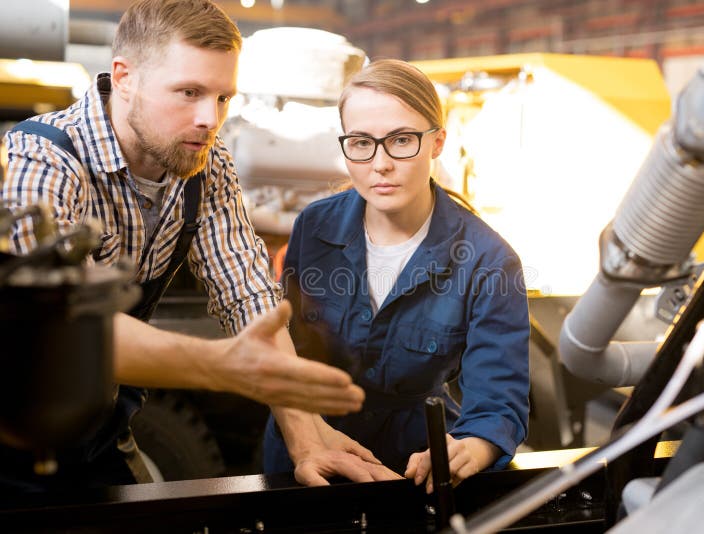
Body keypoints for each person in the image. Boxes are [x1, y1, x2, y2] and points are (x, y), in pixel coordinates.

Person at [0, 0, 393, 491]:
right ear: (124, 77)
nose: (210, 118)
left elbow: (248, 296)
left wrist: (305, 436)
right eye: (189, 92)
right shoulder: (46, 159)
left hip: (98, 426)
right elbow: (59, 332)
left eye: (223, 97)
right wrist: (222, 367)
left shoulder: (206, 165)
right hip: (13, 430)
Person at [263, 59, 531, 492]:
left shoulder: (488, 261)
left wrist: (470, 448)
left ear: (438, 142)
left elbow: (498, 403)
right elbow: (283, 350)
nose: (380, 163)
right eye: (362, 143)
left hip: (409, 472)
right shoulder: (314, 228)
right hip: (306, 460)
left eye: (401, 140)